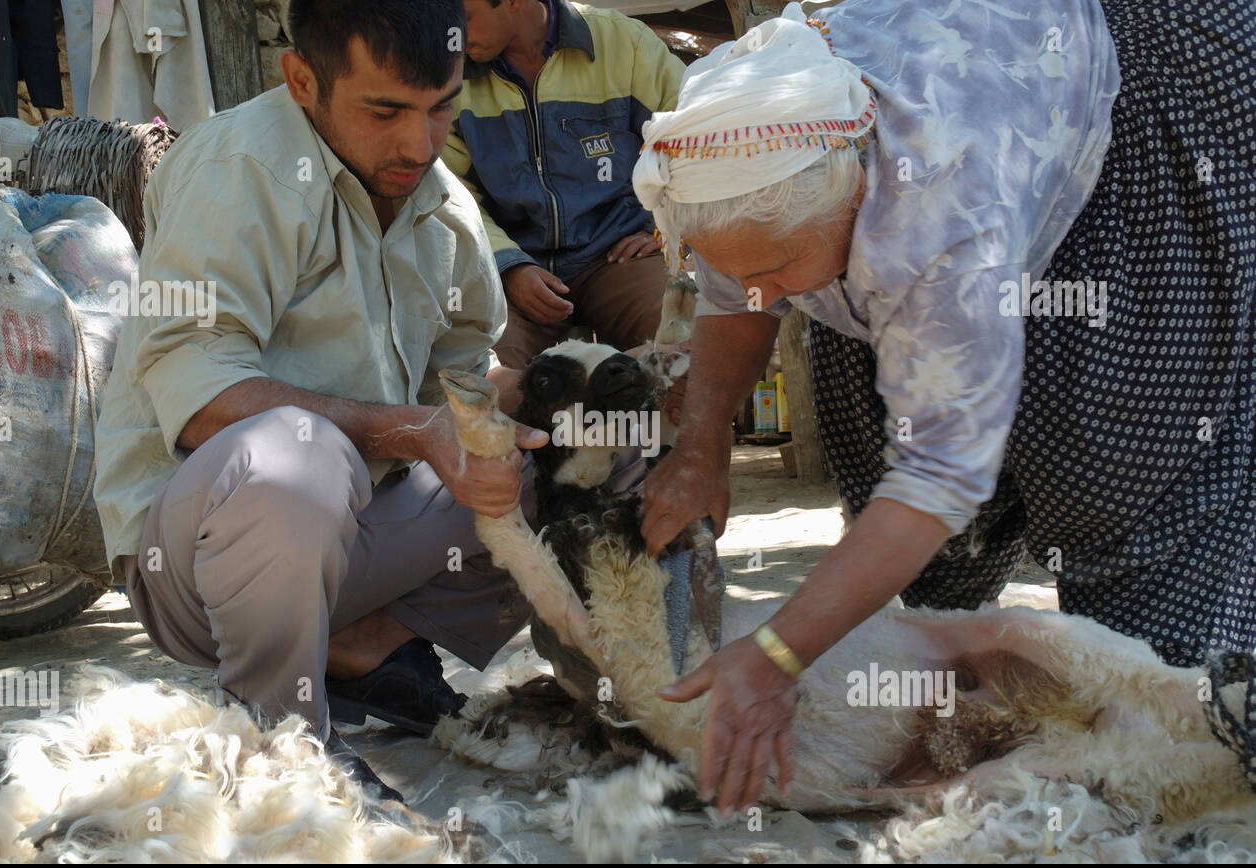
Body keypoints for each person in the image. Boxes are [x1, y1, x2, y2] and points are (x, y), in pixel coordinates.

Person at [635, 0, 1256, 816]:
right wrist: (702, 443)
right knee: (929, 559)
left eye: (783, 265)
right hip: (906, 198)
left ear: (854, 189)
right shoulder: (734, 144)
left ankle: (1194, 730)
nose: (768, 293)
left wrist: (775, 655)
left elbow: (938, 476)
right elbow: (738, 284)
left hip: (1110, 142)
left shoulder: (941, 214)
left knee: (1120, 500)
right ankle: (971, 690)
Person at [93, 0, 549, 803]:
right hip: (202, 561)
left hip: (355, 542)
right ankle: (284, 741)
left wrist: (545, 402)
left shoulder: (443, 204)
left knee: (590, 441)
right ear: (302, 80)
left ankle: (363, 647)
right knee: (297, 454)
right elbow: (200, 395)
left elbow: (463, 380)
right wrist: (414, 431)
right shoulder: (239, 171)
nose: (419, 144)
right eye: (385, 111)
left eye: (441, 107)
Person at [444, 0, 686, 370]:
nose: (453, 36)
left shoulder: (625, 43)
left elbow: (694, 138)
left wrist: (667, 225)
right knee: (483, 374)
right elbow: (448, 188)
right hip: (506, 266)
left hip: (619, 252)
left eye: (465, 18)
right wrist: (507, 264)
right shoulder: (448, 67)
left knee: (681, 345)